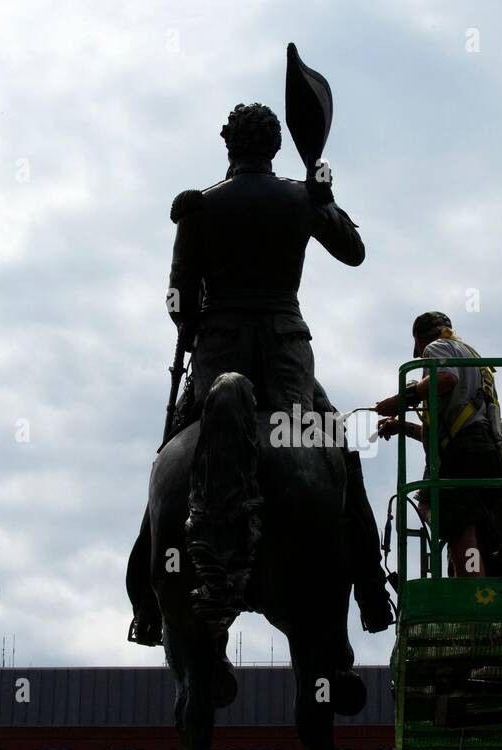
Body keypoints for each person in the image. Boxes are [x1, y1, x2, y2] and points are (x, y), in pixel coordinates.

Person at [127, 103, 392, 645]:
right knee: (338, 450)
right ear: (275, 147)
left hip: (216, 356)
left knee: (172, 456)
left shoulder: (197, 208)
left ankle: (148, 603)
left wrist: (195, 314)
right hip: (286, 359)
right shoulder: (300, 197)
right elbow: (355, 252)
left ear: (228, 144)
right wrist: (324, 194)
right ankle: (370, 588)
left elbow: (177, 300)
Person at [375, 312, 502, 577]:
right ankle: (482, 590)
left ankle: (473, 598)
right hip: (488, 451)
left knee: (452, 522)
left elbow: (447, 379)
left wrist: (402, 399)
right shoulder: (470, 354)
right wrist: (401, 426)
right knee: (473, 528)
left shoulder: (434, 348)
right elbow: (450, 424)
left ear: (418, 341)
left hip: (462, 454)